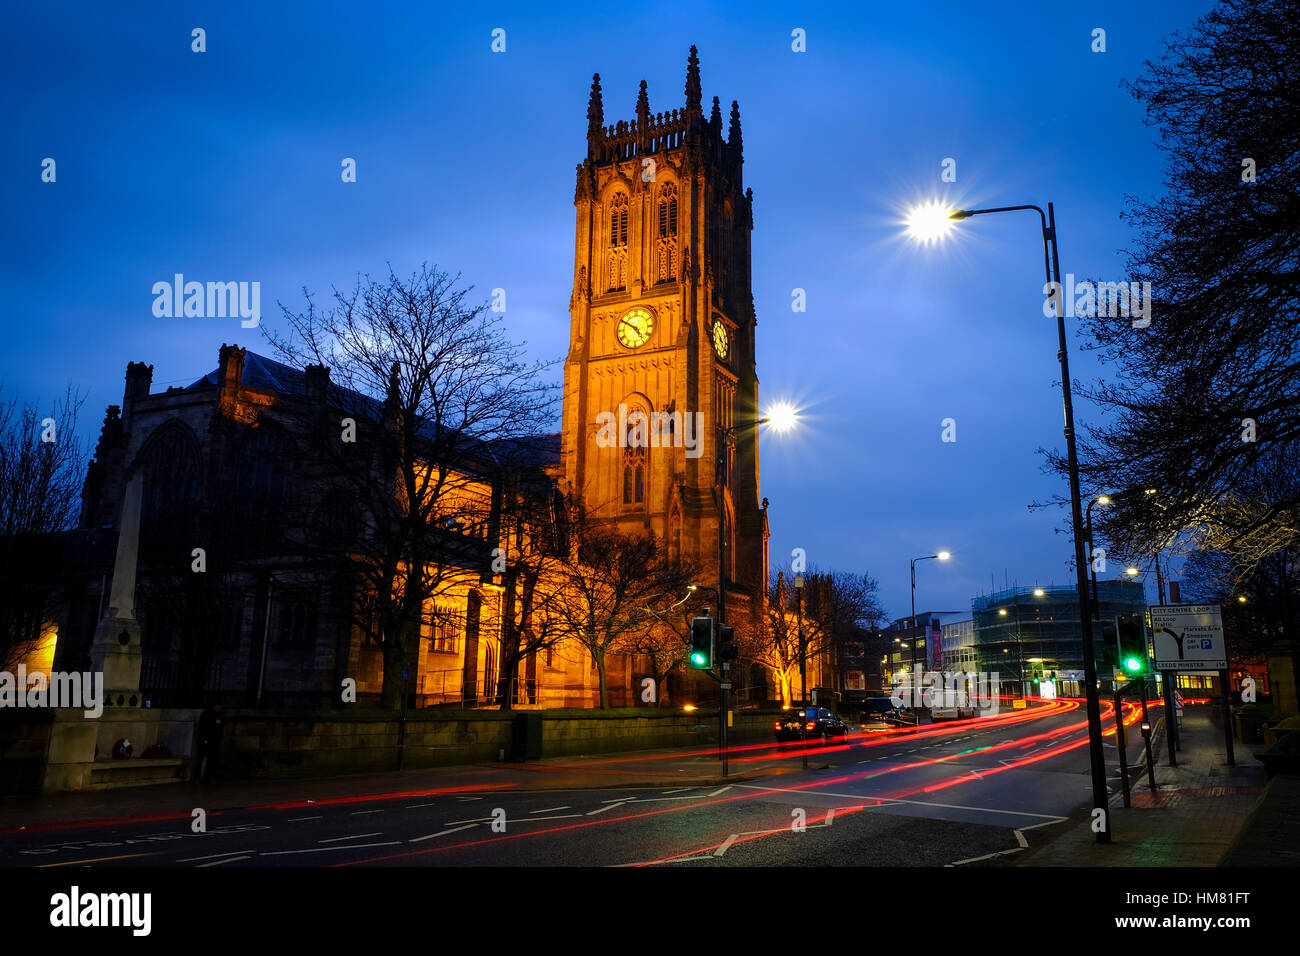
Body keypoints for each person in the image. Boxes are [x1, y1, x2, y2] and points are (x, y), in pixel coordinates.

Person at [193, 703, 225, 782]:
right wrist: (205, 739)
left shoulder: (220, 714)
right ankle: (196, 777)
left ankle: (208, 776)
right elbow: (203, 727)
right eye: (219, 706)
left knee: (211, 759)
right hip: (205, 740)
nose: (220, 708)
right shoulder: (207, 713)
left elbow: (220, 727)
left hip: (214, 741)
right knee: (200, 758)